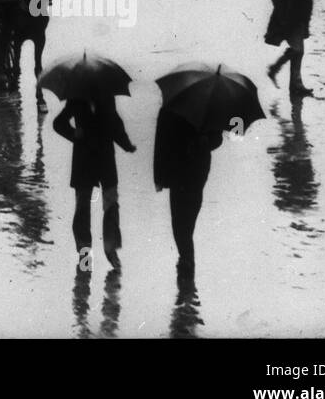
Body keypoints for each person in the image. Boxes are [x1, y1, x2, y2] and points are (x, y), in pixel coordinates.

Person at [53, 94, 135, 269]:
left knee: (111, 205)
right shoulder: (76, 98)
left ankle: (111, 251)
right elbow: (58, 123)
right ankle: (85, 256)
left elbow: (115, 123)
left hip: (105, 158)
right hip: (84, 159)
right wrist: (73, 133)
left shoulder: (106, 97)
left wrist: (126, 144)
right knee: (83, 207)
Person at [154, 108, 222, 277]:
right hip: (180, 169)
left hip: (196, 169)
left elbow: (217, 138)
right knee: (180, 218)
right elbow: (161, 143)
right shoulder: (170, 109)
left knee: (185, 216)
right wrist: (159, 176)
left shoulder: (207, 109)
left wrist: (205, 140)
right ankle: (186, 257)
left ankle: (186, 257)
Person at [266, 0, 317, 98]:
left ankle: (294, 85)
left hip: (300, 18)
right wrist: (283, 17)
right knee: (297, 50)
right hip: (288, 19)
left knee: (298, 51)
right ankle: (276, 70)